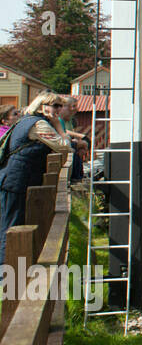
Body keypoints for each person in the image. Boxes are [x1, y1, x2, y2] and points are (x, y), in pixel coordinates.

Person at [0, 93, 72, 258]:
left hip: (13, 178)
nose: (58, 109)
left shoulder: (26, 120)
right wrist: (59, 128)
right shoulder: (39, 124)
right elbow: (64, 146)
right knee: (12, 225)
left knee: (11, 223)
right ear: (42, 106)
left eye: (60, 105)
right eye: (54, 105)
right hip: (16, 180)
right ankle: (5, 273)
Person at [57, 96, 88, 183]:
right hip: (61, 148)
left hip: (66, 145)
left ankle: (78, 178)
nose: (73, 109)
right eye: (71, 106)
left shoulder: (66, 120)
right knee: (77, 148)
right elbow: (62, 136)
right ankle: (76, 178)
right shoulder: (59, 120)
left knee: (79, 147)